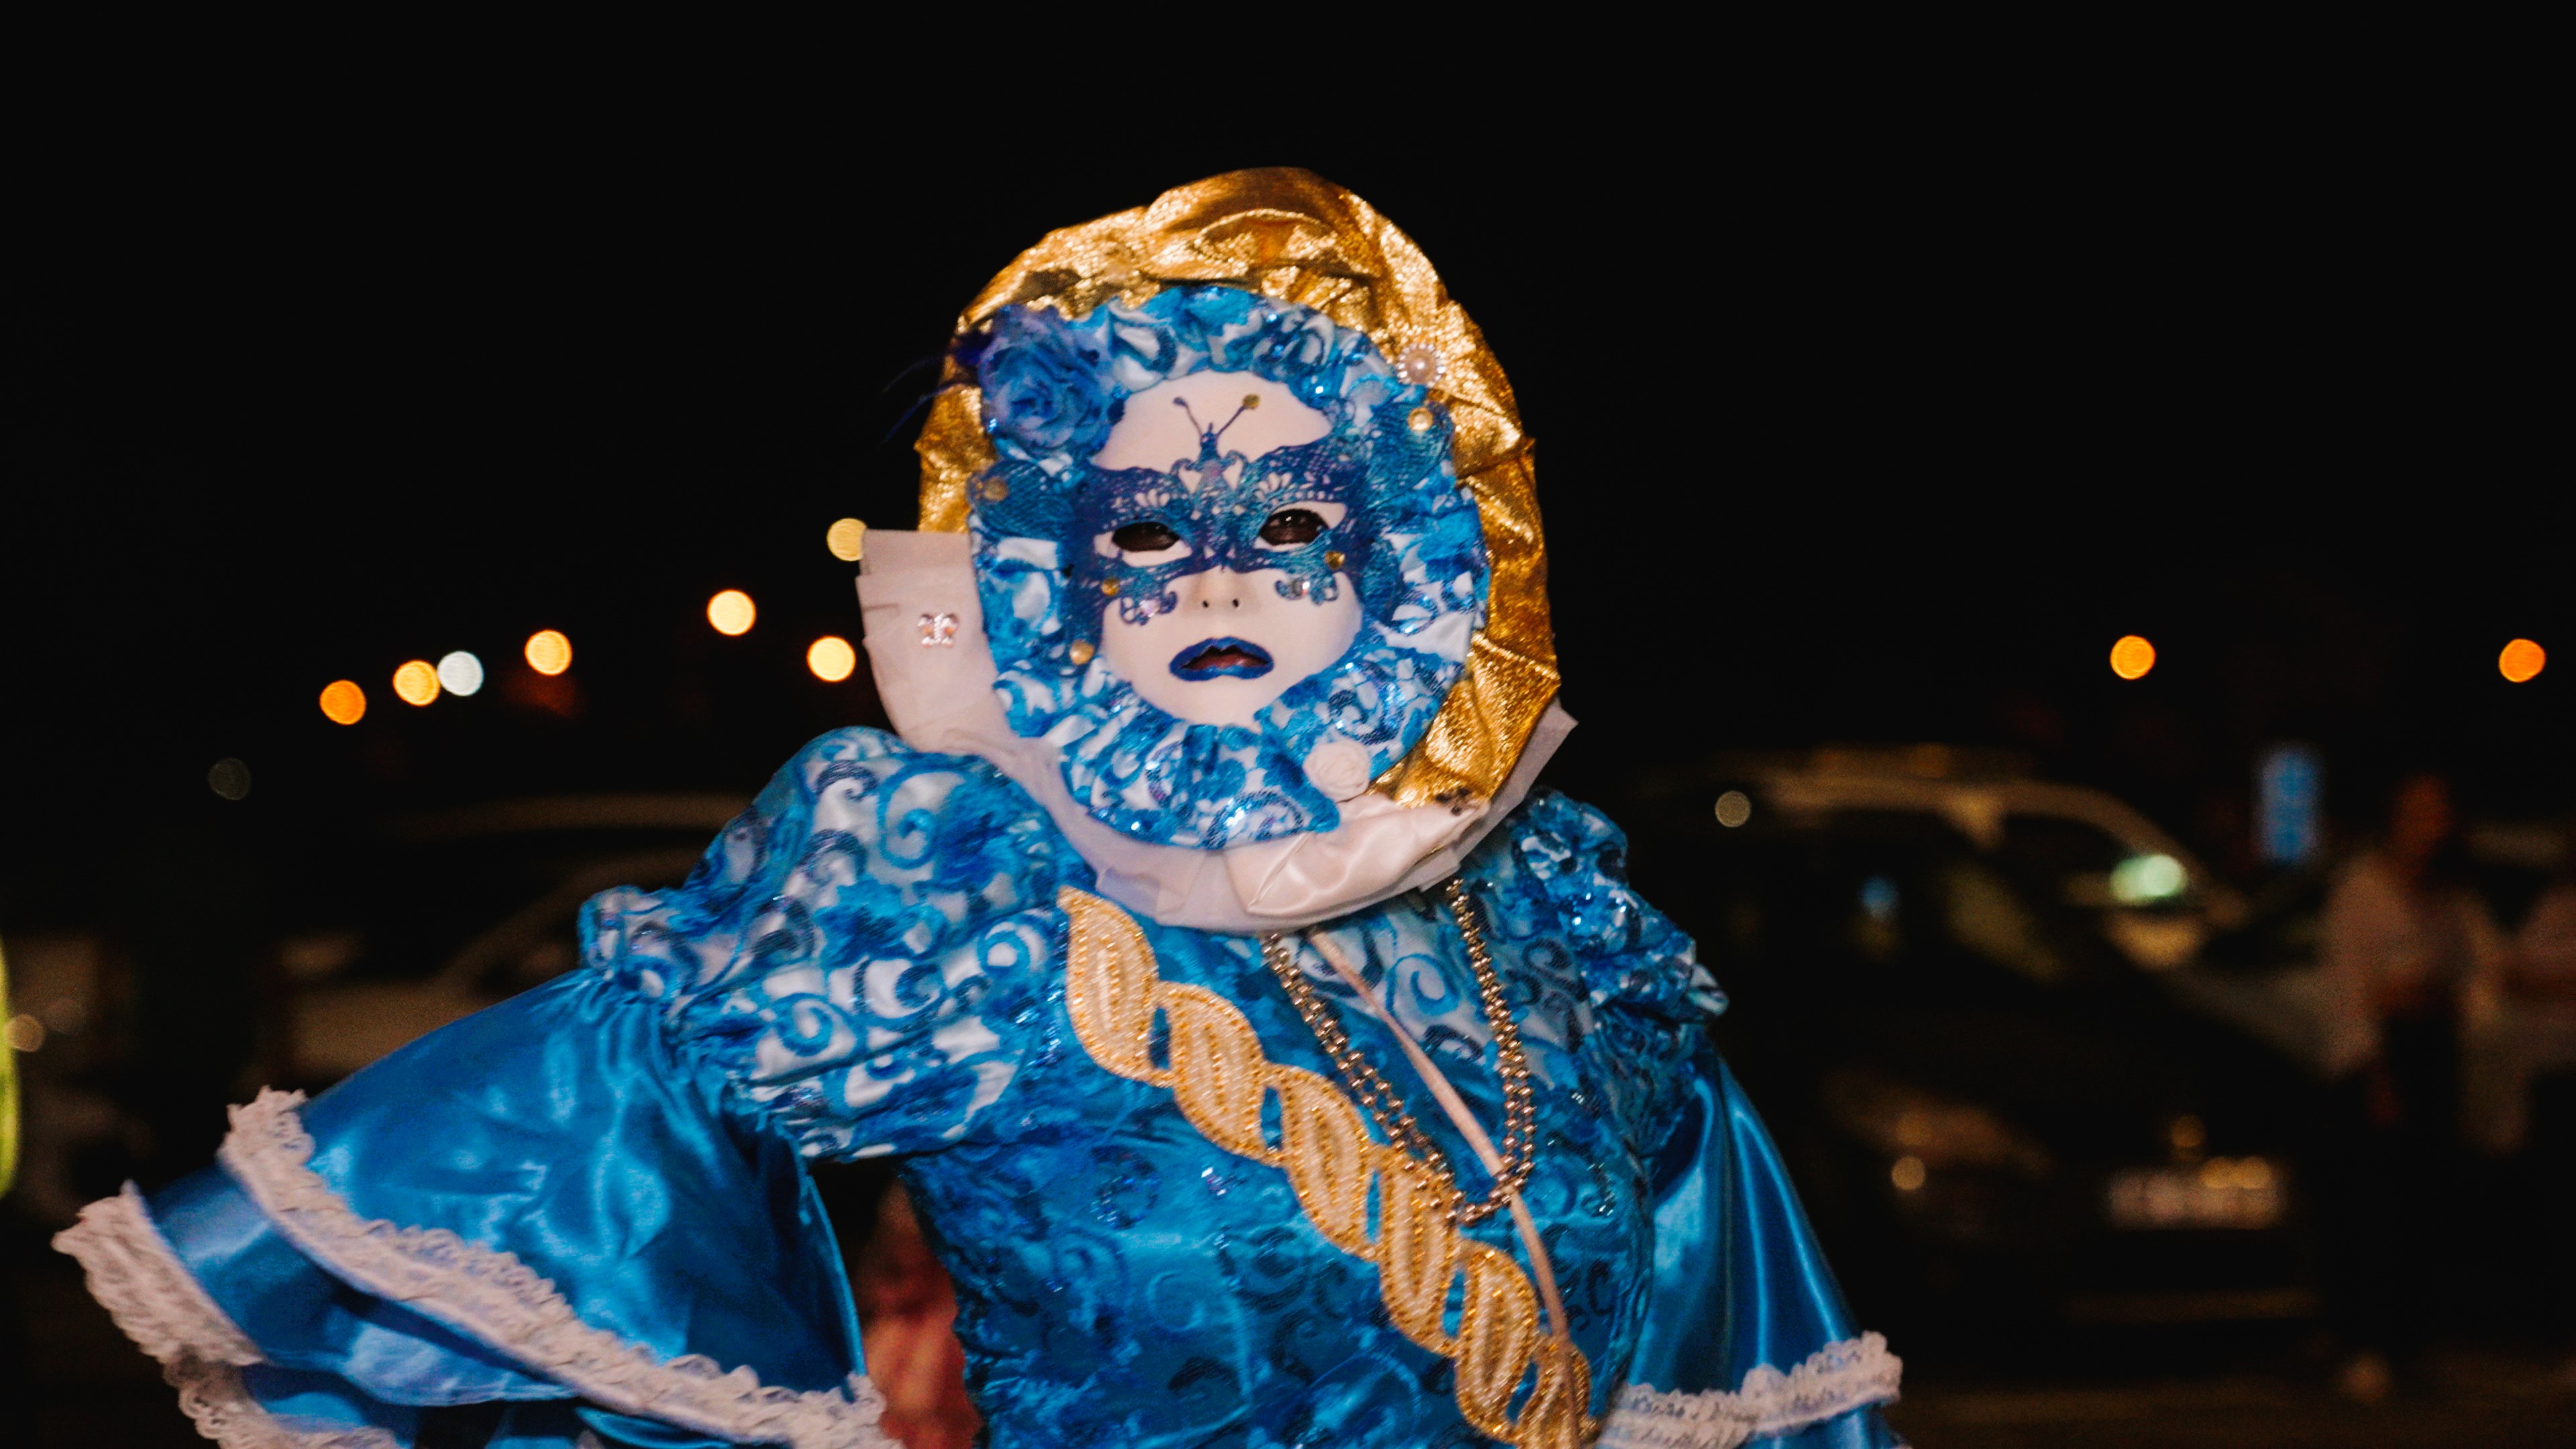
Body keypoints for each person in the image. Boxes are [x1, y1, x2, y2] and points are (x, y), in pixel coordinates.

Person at [55, 170, 1902, 1448]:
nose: (1214, 586)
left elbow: (1740, 1377)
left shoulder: (1565, 942)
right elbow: (572, 1161)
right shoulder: (960, 902)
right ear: (1050, 577)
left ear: (1409, 558)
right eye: (1147, 536)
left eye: (1290, 528)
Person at [2314, 770, 2501, 1399]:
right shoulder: (2363, 890)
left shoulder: (2452, 896)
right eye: (2415, 813)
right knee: (2374, 1203)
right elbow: (2347, 989)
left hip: (2433, 1051)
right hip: (2381, 1058)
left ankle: (2411, 1341)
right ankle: (2363, 1343)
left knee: (2425, 1200)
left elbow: (2479, 973)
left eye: (2437, 812)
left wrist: (2445, 999)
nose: (2428, 826)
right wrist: (2373, 1073)